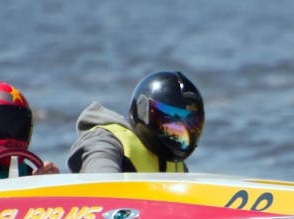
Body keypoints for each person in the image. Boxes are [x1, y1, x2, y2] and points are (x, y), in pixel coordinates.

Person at [67, 70, 204, 173]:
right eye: (172, 120)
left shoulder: (176, 166)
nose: (181, 132)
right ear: (144, 112)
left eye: (191, 124)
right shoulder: (105, 142)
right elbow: (101, 185)